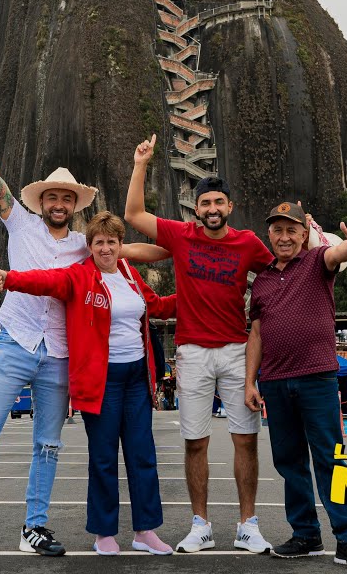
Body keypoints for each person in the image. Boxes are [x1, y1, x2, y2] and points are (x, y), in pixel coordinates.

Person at [0, 91, 167, 562]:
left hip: (61, 354)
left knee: (48, 444)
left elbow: (143, 251)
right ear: (42, 201)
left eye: (68, 197)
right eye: (53, 196)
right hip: (16, 343)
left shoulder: (90, 248)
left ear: (76, 204)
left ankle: (35, 526)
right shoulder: (19, 224)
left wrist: (180, 249)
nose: (60, 203)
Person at [124, 134, 275, 554]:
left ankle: (248, 525)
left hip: (235, 351)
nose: (211, 209)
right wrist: (141, 163)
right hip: (191, 352)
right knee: (196, 441)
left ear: (230, 207)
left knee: (246, 438)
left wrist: (326, 247)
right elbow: (133, 212)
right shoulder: (180, 234)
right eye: (204, 203)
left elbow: (286, 267)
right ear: (197, 207)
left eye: (218, 203)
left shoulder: (248, 243)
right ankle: (200, 525)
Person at [0, 212, 175, 556]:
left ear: (121, 246)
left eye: (112, 242)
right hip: (101, 380)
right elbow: (47, 280)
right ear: (89, 247)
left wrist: (196, 297)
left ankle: (145, 531)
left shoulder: (130, 275)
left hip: (136, 377)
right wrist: (11, 279)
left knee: (142, 455)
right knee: (103, 458)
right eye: (99, 242)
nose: (106, 248)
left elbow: (157, 306)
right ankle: (104, 533)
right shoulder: (79, 277)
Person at [243, 202, 347, 569]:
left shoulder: (318, 261)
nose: (284, 236)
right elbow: (256, 334)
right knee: (290, 462)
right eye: (277, 230)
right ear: (268, 234)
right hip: (274, 381)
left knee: (330, 459)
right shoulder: (264, 280)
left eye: (291, 230)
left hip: (317, 377)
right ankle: (305, 534)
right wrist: (249, 382)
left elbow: (341, 251)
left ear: (304, 235)